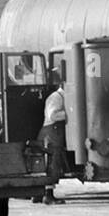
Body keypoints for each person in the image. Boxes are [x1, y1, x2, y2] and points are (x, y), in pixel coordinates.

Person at [35, 71, 68, 205]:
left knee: (49, 164)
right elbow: (53, 115)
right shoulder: (57, 97)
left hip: (51, 134)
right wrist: (70, 113)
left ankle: (39, 194)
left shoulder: (59, 96)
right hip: (51, 134)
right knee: (52, 164)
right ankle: (48, 196)